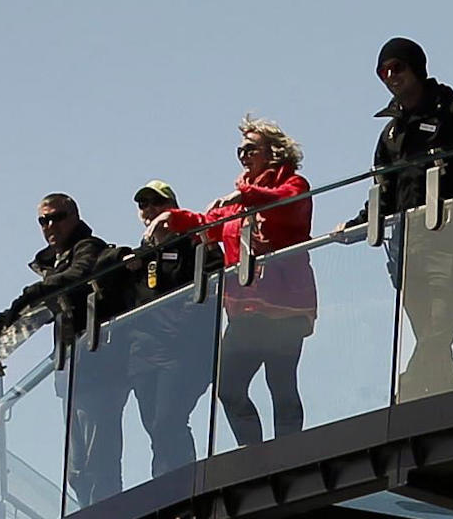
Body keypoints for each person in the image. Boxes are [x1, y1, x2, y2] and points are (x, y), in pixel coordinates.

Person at [371, 38, 453, 400]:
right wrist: (362, 223)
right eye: (384, 71)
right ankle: (444, 409)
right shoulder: (391, 132)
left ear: (416, 68)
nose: (391, 76)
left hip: (449, 239)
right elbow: (386, 190)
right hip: (407, 248)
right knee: (429, 334)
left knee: (442, 326)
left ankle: (407, 392)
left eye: (398, 67)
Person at [0, 194, 121, 498]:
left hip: (100, 368)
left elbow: (77, 276)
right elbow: (46, 306)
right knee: (77, 470)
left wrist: (27, 295)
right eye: (43, 220)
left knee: (99, 462)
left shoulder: (88, 248)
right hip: (72, 372)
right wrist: (9, 319)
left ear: (74, 217)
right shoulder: (54, 264)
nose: (49, 225)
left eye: (57, 217)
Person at [198, 120, 318, 446]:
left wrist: (244, 194)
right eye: (240, 150)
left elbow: (285, 203)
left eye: (250, 149)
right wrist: (173, 217)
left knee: (280, 383)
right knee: (228, 386)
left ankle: (288, 453)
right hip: (245, 307)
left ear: (273, 152)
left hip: (285, 304)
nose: (243, 155)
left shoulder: (293, 183)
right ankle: (253, 452)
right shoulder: (238, 199)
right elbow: (206, 228)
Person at [111, 181, 218, 484]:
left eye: (156, 203)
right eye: (143, 205)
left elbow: (216, 276)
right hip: (144, 356)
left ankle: (183, 487)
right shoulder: (137, 258)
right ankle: (166, 487)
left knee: (168, 421)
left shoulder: (194, 245)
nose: (149, 210)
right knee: (155, 427)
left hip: (183, 352)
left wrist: (179, 326)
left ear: (173, 208)